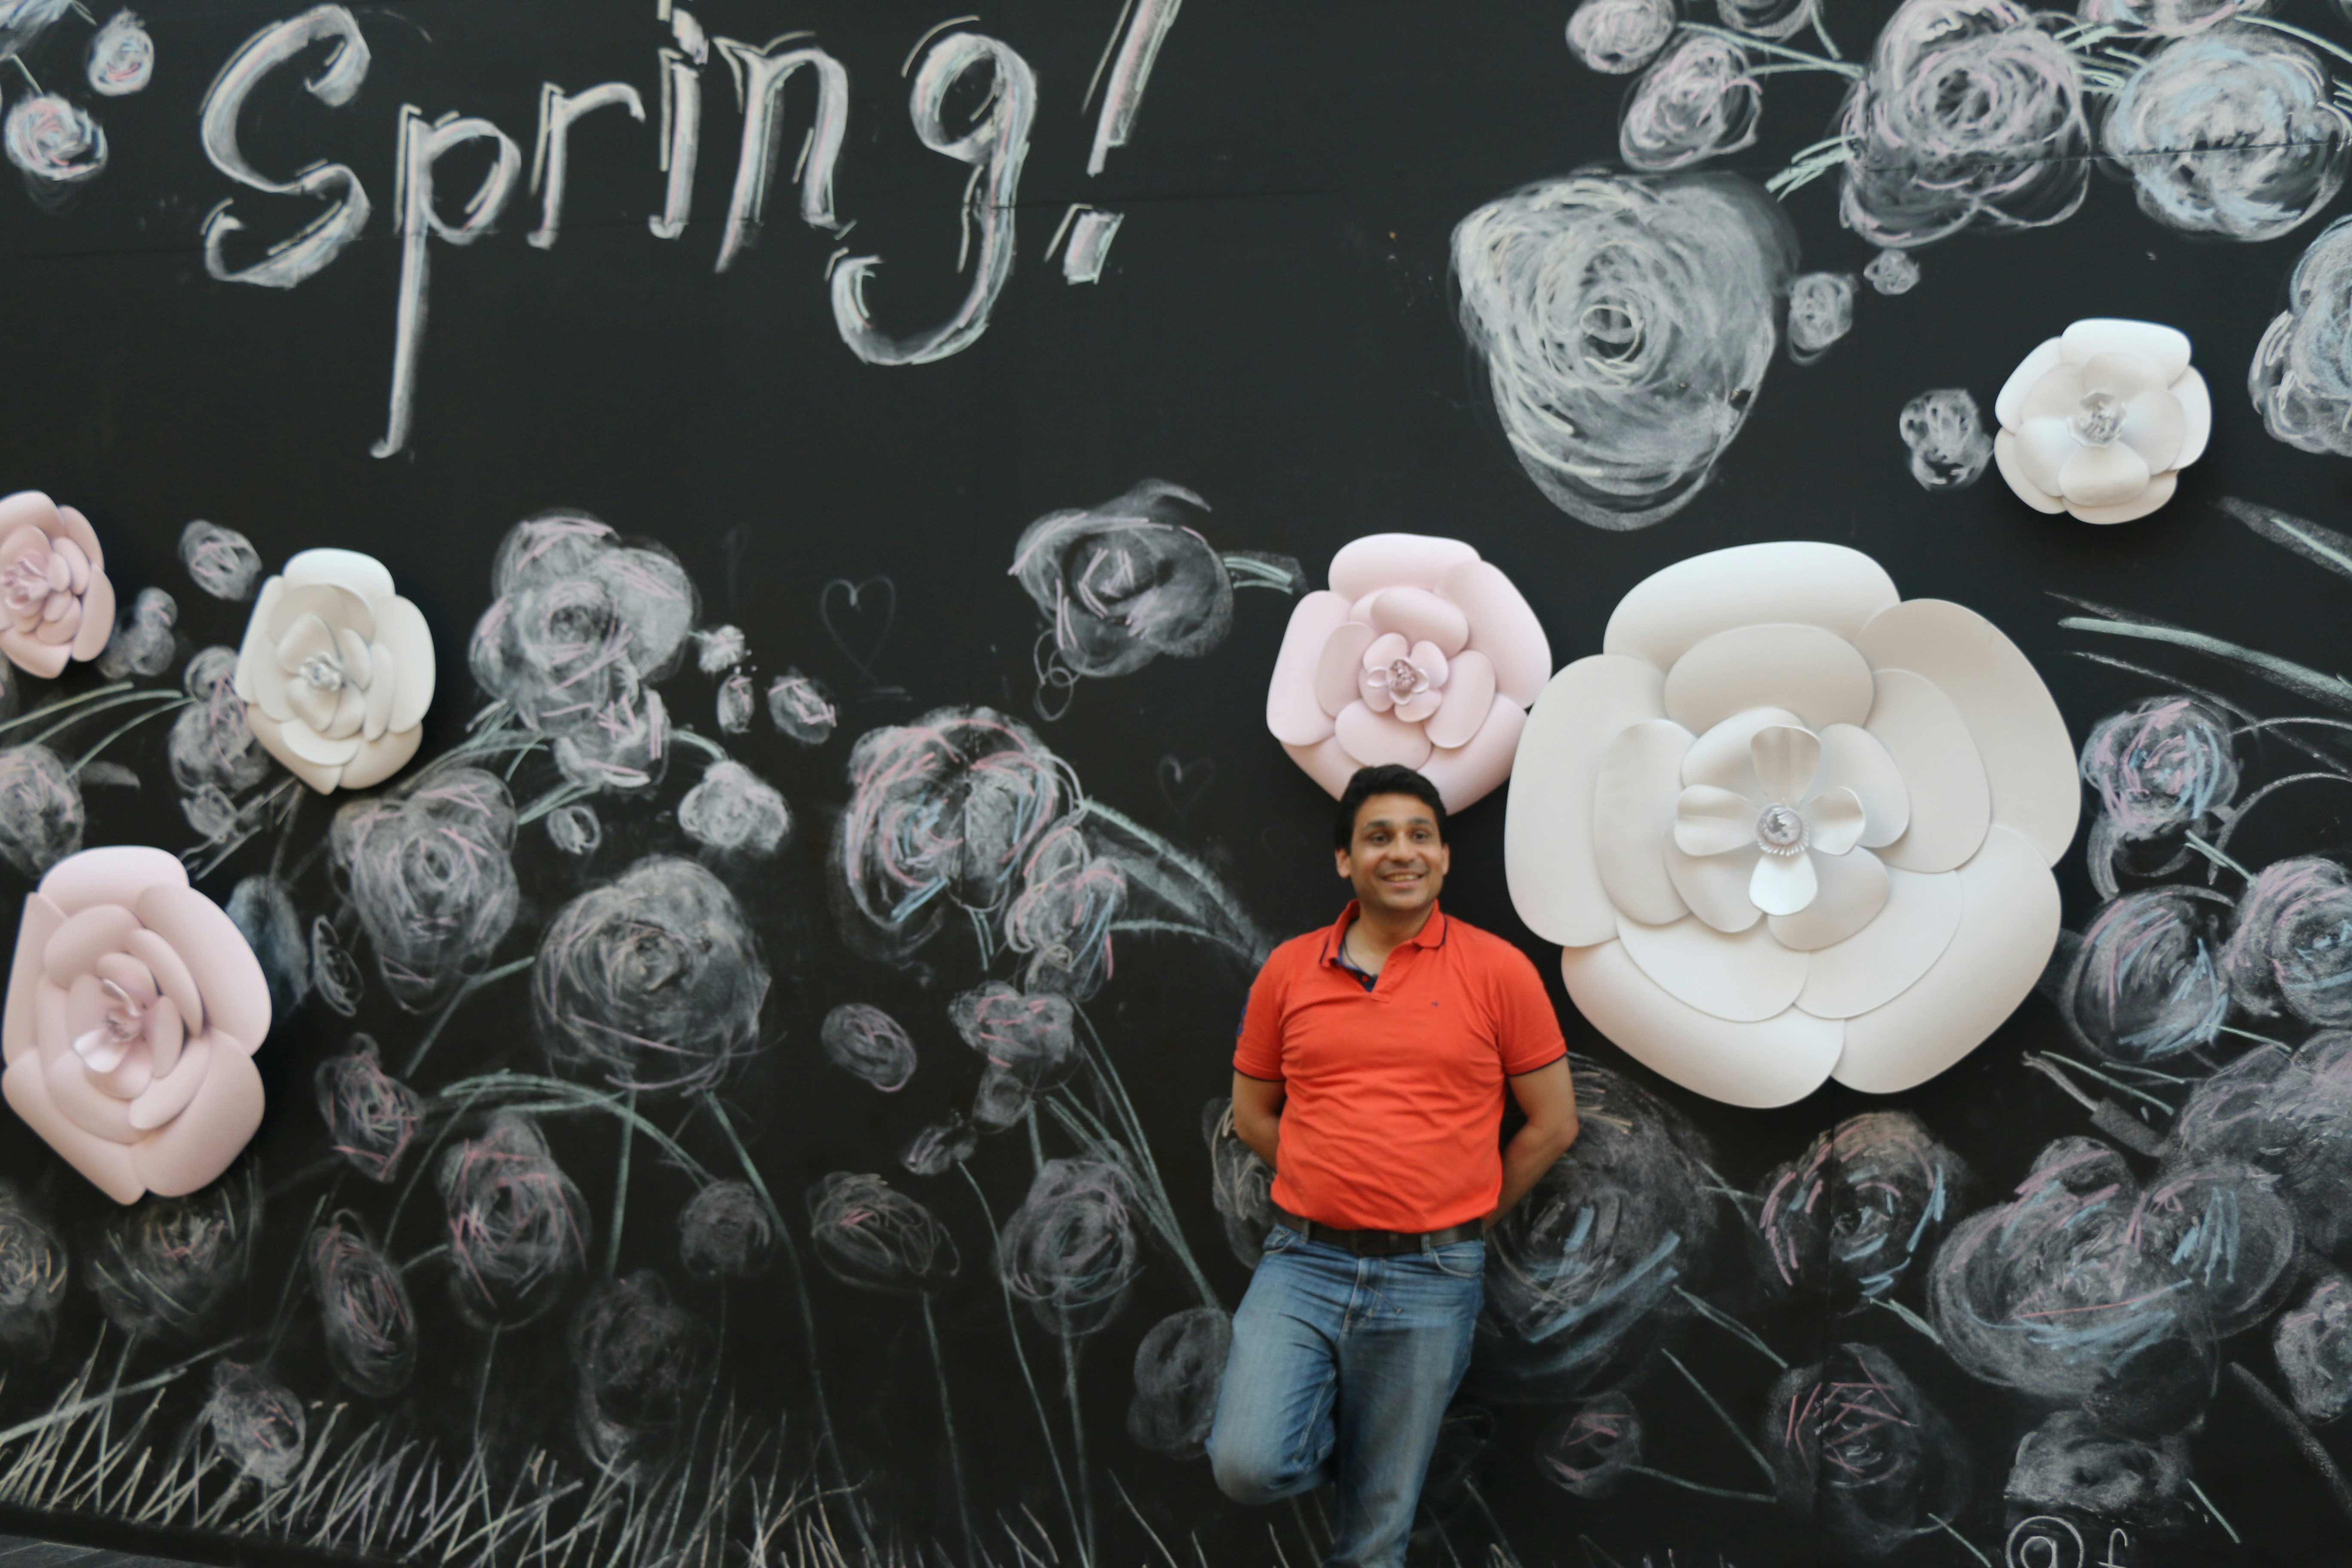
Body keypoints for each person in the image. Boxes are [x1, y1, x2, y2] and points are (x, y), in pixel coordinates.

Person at [1207, 763, 1580, 1567]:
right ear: (1346, 859)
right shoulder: (1289, 971)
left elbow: (1554, 1124)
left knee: (1377, 1532)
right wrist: (1324, 1174)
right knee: (1246, 1463)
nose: (1401, 852)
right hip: (1302, 1264)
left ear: (1444, 856)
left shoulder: (1499, 972)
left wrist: (1469, 1216)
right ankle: (1356, 1441)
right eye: (1378, 837)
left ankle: (1376, 1459)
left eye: (1420, 836)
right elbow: (1252, 1114)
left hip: (1432, 1275)